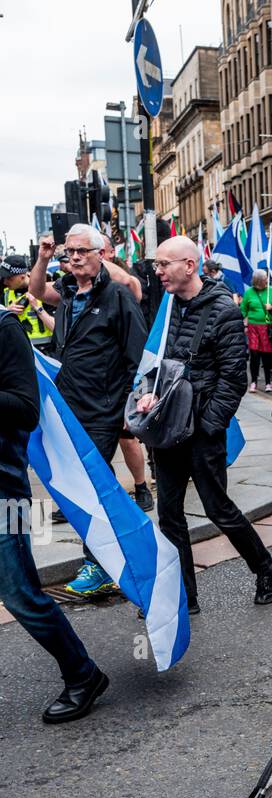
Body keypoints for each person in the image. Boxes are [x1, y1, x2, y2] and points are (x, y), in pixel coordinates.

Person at [135, 236, 272, 614]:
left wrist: (209, 426)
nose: (158, 271)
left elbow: (233, 379)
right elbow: (157, 363)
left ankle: (266, 567)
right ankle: (186, 596)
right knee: (169, 514)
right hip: (168, 428)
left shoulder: (223, 310)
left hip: (202, 431)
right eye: (156, 264)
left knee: (218, 508)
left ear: (189, 265)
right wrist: (149, 393)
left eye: (164, 264)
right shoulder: (167, 308)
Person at [0, 304, 109, 722]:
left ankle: (83, 675)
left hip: (3, 490)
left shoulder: (5, 326)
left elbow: (25, 408)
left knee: (20, 593)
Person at [29, 224, 147, 599]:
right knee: (91, 486)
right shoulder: (66, 293)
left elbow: (137, 355)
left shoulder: (116, 295)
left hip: (104, 409)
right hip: (71, 408)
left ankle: (100, 564)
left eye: (83, 251)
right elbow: (33, 291)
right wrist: (44, 258)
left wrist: (133, 405)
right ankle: (115, 555)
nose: (75, 257)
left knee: (94, 486)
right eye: (70, 252)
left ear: (101, 255)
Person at [240, 270, 272, 393]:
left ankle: (268, 382)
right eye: (265, 279)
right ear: (258, 281)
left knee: (267, 356)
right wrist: (241, 324)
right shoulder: (249, 293)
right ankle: (253, 381)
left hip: (267, 327)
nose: (267, 280)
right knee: (254, 354)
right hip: (253, 327)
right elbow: (243, 309)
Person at [1, 254, 54, 350]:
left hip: (45, 352)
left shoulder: (46, 292)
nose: (5, 282)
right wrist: (6, 311)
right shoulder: (5, 293)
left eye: (9, 278)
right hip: (18, 351)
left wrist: (39, 309)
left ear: (22, 277)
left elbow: (58, 329)